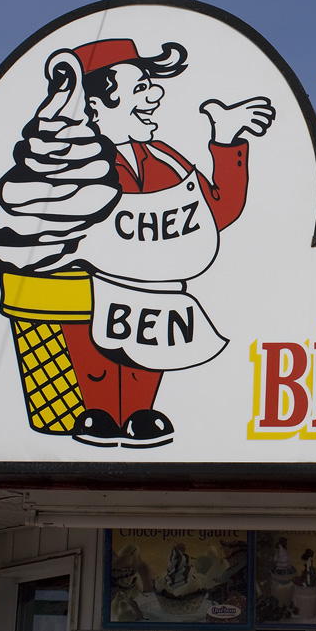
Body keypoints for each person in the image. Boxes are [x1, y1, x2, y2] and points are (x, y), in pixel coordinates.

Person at [58, 38, 275, 446]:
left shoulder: (165, 158)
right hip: (85, 289)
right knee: (90, 340)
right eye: (140, 87)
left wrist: (226, 140)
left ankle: (141, 411)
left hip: (155, 289)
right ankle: (98, 410)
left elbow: (217, 211)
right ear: (95, 105)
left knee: (153, 335)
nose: (154, 95)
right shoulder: (70, 161)